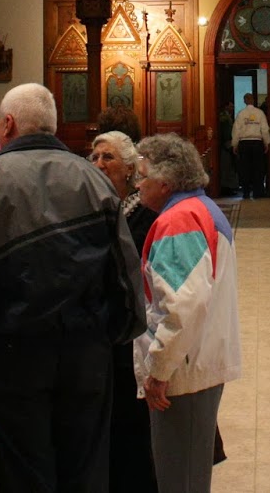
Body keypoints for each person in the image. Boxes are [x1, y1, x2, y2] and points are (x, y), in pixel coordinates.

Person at [0, 83, 146, 493]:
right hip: (86, 352)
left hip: (11, 354)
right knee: (86, 468)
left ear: (8, 124)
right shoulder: (93, 178)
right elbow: (125, 271)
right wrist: (114, 334)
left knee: (26, 472)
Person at [133, 134, 241, 493]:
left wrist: (159, 370)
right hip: (195, 360)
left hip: (183, 369)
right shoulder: (201, 208)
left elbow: (184, 305)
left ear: (165, 181)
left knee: (180, 480)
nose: (137, 184)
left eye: (141, 175)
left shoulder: (180, 220)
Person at [90, 131, 160, 493]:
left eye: (108, 158)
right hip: (100, 332)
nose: (99, 164)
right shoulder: (90, 206)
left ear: (130, 169)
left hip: (133, 331)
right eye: (95, 157)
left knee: (133, 424)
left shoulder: (145, 213)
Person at [230, 93, 270, 199]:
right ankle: (258, 192)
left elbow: (236, 130)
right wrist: (266, 143)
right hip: (257, 143)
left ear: (244, 101)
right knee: (258, 168)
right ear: (253, 100)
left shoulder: (241, 114)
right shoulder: (260, 113)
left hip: (244, 143)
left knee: (244, 169)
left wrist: (235, 144)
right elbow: (265, 130)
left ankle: (246, 193)